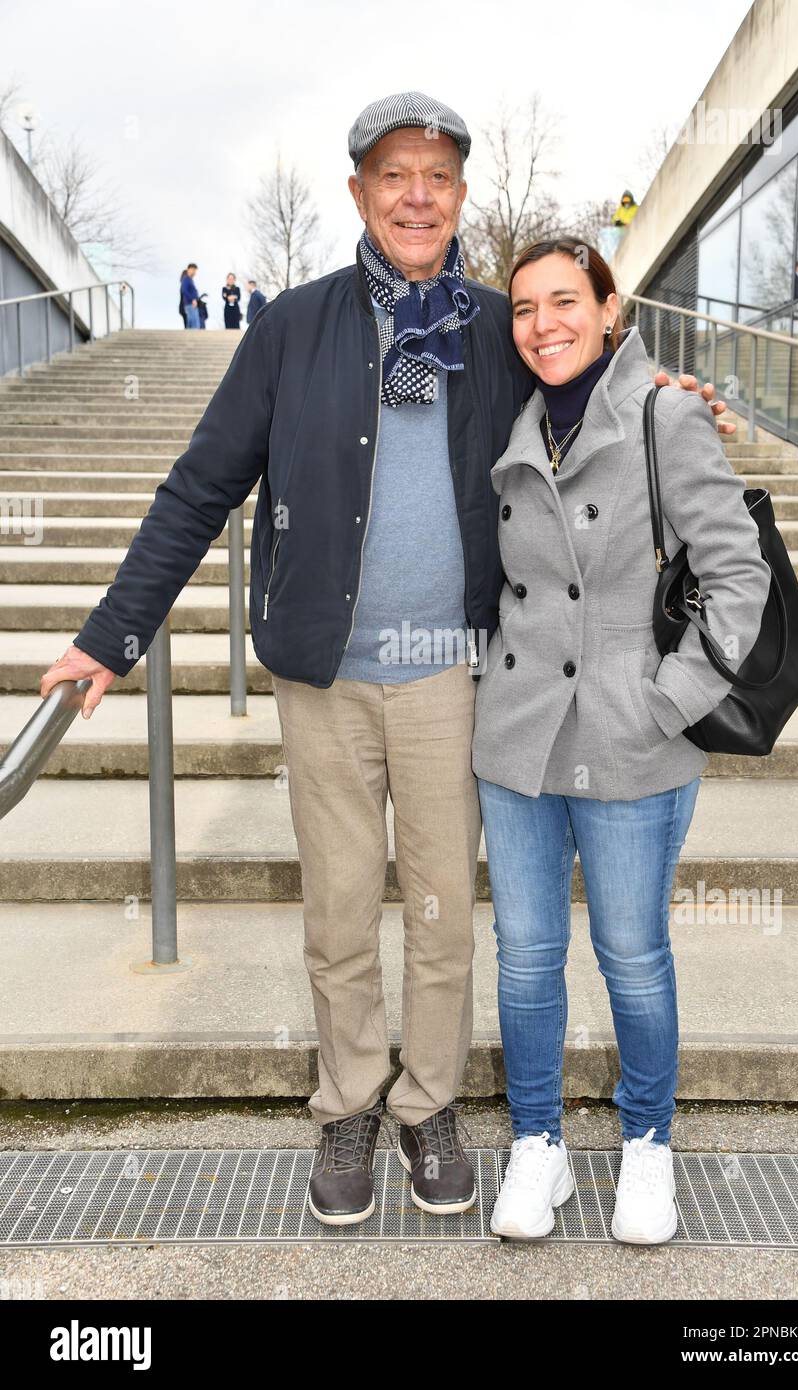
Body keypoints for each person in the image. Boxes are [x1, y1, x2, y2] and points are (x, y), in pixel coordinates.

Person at [39, 93, 731, 1230]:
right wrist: (113, 633)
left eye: (439, 176)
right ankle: (350, 1100)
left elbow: (588, 388)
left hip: (457, 673)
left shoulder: (494, 325)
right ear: (358, 191)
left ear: (461, 195)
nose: (418, 195)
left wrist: (670, 397)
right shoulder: (293, 328)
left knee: (444, 912)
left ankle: (429, 1103)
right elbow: (198, 487)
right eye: (395, 175)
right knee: (340, 905)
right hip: (323, 675)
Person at [470, 237, 771, 1243]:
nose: (542, 324)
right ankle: (537, 1146)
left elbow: (738, 578)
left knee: (631, 954)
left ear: (608, 308)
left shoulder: (664, 414)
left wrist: (669, 694)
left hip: (630, 738)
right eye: (522, 308)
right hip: (516, 741)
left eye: (564, 301)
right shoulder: (508, 425)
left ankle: (646, 1145)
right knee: (523, 957)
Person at [180, 263, 200, 329]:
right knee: (194, 323)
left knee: (192, 322)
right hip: (190, 304)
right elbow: (184, 290)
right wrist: (193, 299)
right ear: (188, 269)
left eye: (195, 271)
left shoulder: (190, 280)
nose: (194, 272)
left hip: (192, 304)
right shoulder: (186, 279)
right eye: (193, 270)